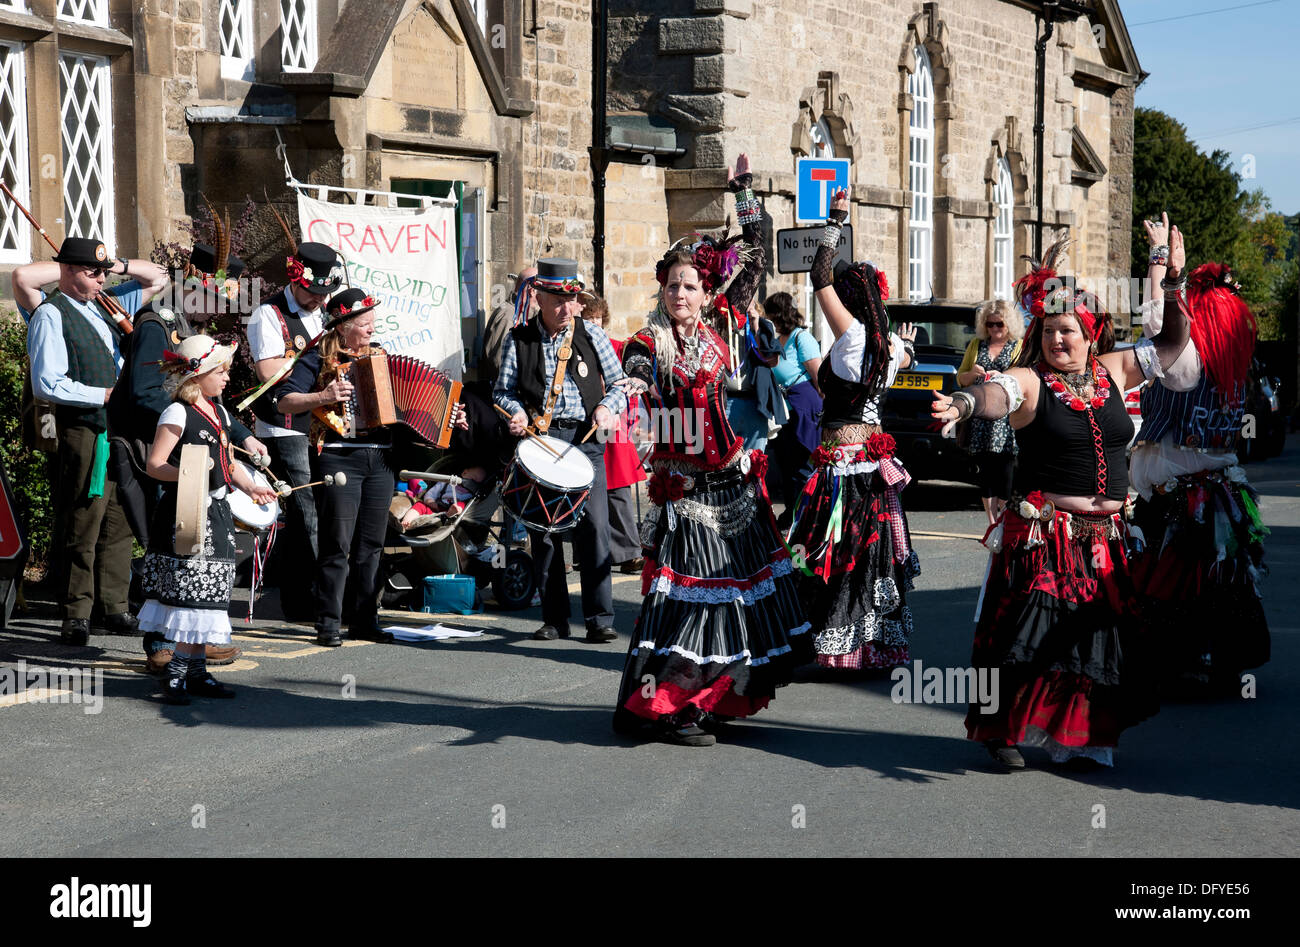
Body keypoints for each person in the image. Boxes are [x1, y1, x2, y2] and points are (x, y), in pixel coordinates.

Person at [931, 228, 1192, 770]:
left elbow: (1172, 345)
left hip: (1106, 536)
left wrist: (1173, 282)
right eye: (1049, 331)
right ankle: (997, 730)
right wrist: (960, 404)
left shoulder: (1116, 371)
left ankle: (1079, 732)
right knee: (1020, 634)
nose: (1057, 341)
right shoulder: (1032, 379)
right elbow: (996, 393)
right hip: (1045, 532)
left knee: (1095, 636)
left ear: (1090, 335)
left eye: (1067, 331)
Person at [612, 154, 812, 747]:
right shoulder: (650, 339)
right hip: (688, 493)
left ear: (705, 292)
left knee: (745, 601)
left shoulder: (725, 324)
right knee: (698, 604)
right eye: (672, 285)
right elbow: (639, 370)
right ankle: (672, 706)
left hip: (739, 487)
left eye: (690, 285)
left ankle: (717, 696)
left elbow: (755, 248)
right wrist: (630, 389)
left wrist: (744, 191)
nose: (681, 293)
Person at [106, 242, 266, 672]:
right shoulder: (156, 323)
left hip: (188, 448)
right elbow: (144, 395)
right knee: (168, 552)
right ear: (195, 287)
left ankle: (192, 639)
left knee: (194, 554)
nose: (220, 307)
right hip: (156, 451)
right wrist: (195, 424)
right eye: (216, 296)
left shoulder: (191, 327)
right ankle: (161, 643)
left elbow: (210, 400)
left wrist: (243, 437)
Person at [1128, 213, 1269, 691]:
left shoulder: (1186, 365)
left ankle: (1181, 662)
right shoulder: (1235, 369)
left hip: (1180, 495)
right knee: (1224, 578)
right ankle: (1224, 662)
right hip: (1222, 489)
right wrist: (1164, 265)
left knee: (1176, 580)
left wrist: (1162, 265)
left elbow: (1157, 326)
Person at [786, 189, 920, 672]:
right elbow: (909, 352)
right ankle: (867, 646)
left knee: (827, 544)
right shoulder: (891, 350)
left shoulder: (854, 335)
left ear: (850, 300)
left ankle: (823, 641)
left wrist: (835, 220)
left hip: (841, 465)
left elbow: (818, 273)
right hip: (874, 462)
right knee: (870, 550)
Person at [23, 238, 166, 645]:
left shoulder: (106, 305)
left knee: (119, 520)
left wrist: (118, 265)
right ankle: (76, 613)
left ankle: (113, 605)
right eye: (91, 271)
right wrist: (101, 395)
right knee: (83, 519)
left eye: (103, 271)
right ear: (66, 270)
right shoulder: (51, 313)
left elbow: (159, 277)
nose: (101, 277)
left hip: (117, 428)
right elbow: (47, 383)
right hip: (84, 429)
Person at [273, 288, 432, 647]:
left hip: (382, 457)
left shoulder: (382, 358)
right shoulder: (315, 358)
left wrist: (446, 419)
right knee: (337, 542)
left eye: (373, 323)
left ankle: (364, 619)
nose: (372, 331)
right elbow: (284, 399)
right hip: (340, 455)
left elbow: (409, 408)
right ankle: (328, 621)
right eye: (364, 324)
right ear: (342, 328)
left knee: (372, 544)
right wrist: (323, 397)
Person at [494, 259, 629, 643]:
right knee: (545, 533)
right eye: (559, 300)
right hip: (542, 441)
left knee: (595, 528)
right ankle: (554, 618)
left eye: (572, 299)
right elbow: (502, 392)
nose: (567, 308)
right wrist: (517, 415)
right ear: (538, 297)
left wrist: (607, 407)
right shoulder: (519, 339)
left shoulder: (591, 334)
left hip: (586, 442)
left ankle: (600, 618)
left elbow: (620, 383)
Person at [140, 335, 278, 704]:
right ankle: (176, 673)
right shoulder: (177, 412)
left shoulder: (218, 412)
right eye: (221, 371)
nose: (227, 377)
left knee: (209, 596)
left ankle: (197, 673)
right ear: (197, 375)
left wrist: (251, 488)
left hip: (215, 511)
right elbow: (155, 464)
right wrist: (193, 471)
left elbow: (229, 464)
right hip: (186, 512)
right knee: (192, 597)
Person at [244, 241, 342, 621]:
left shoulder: (326, 312)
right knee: (306, 513)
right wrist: (316, 376)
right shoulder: (268, 314)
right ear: (295, 279)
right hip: (284, 426)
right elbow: (268, 374)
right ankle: (309, 602)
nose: (318, 300)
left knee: (320, 510)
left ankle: (314, 598)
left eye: (324, 293)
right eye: (312, 292)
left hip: (323, 426)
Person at [582, 292, 647, 573]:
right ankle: (589, 551)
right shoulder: (575, 345)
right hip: (585, 424)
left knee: (618, 490)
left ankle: (630, 552)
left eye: (598, 318)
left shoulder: (616, 346)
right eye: (589, 318)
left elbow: (635, 364)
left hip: (614, 425)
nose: (595, 323)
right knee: (585, 491)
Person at [956, 298, 1024, 525]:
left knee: (1006, 472)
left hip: (1008, 420)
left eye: (999, 324)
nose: (994, 329)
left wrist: (1004, 378)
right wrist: (974, 374)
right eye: (990, 324)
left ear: (1009, 325)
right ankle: (992, 523)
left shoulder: (1019, 346)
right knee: (985, 474)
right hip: (981, 419)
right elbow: (961, 378)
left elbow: (1027, 379)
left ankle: (1005, 521)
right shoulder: (976, 345)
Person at [764, 292, 823, 524]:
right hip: (785, 407)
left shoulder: (801, 338)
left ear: (778, 314)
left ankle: (806, 516)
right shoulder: (778, 341)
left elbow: (818, 377)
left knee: (802, 463)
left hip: (804, 403)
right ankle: (793, 511)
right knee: (786, 463)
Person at [482, 266, 538, 384]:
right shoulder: (508, 316)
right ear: (532, 291)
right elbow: (499, 363)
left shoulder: (521, 314)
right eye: (543, 290)